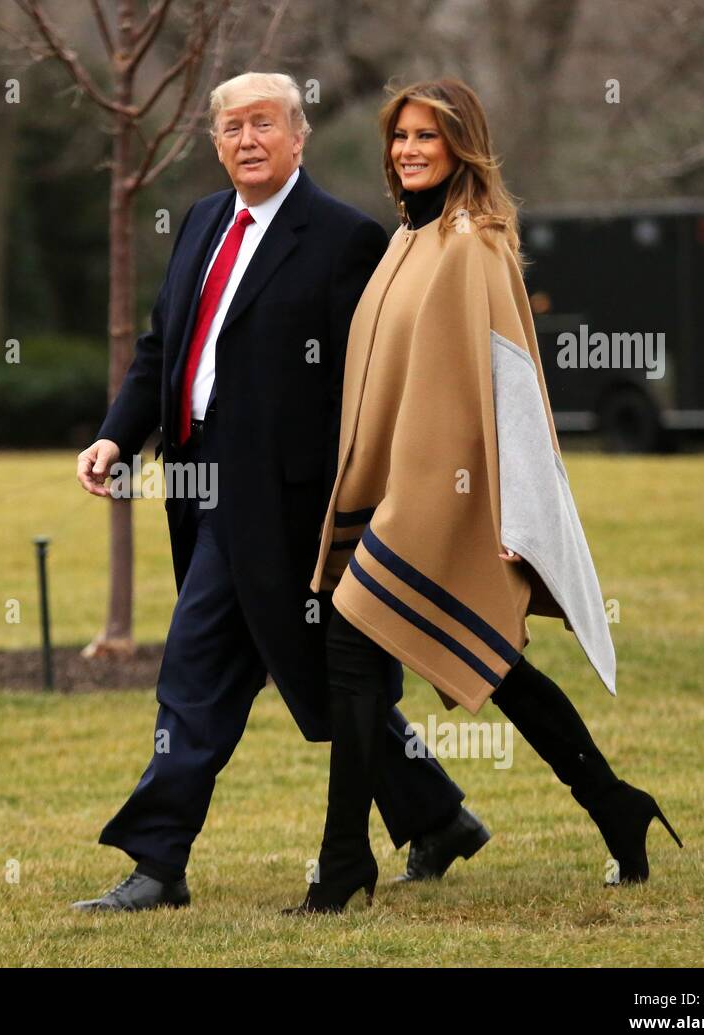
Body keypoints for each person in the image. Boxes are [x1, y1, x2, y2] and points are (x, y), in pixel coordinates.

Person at [72, 72, 489, 913]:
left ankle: (158, 863)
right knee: (316, 680)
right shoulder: (198, 223)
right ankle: (437, 817)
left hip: (297, 508)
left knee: (195, 672)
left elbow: (369, 384)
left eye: (264, 123)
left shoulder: (342, 239)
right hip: (201, 487)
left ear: (299, 137)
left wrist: (369, 505)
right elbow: (162, 348)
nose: (247, 139)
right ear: (216, 144)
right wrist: (119, 434)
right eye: (230, 127)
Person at [285, 77, 682, 915]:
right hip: (394, 488)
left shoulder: (473, 242)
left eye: (427, 137)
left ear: (461, 144)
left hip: (447, 500)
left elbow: (512, 387)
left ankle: (343, 862)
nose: (409, 150)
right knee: (496, 664)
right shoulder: (407, 239)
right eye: (400, 137)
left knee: (357, 651)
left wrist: (519, 515)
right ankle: (616, 807)